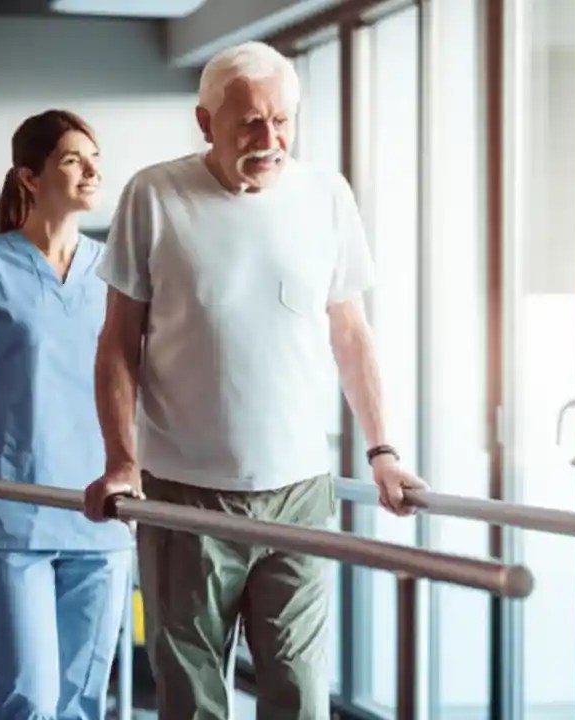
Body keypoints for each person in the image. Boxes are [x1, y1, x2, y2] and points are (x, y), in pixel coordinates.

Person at [81, 41, 427, 719]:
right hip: (185, 495)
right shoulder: (155, 194)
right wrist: (123, 462)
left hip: (299, 493)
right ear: (206, 122)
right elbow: (118, 345)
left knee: (299, 695)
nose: (270, 140)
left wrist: (384, 451)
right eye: (249, 125)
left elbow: (350, 335)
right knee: (192, 697)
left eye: (282, 122)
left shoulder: (327, 195)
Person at [0, 109, 134, 720]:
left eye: (95, 157)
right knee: (30, 702)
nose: (92, 169)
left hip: (99, 518)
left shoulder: (115, 271)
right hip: (7, 519)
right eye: (72, 159)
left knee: (79, 706)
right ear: (29, 177)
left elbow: (138, 383)